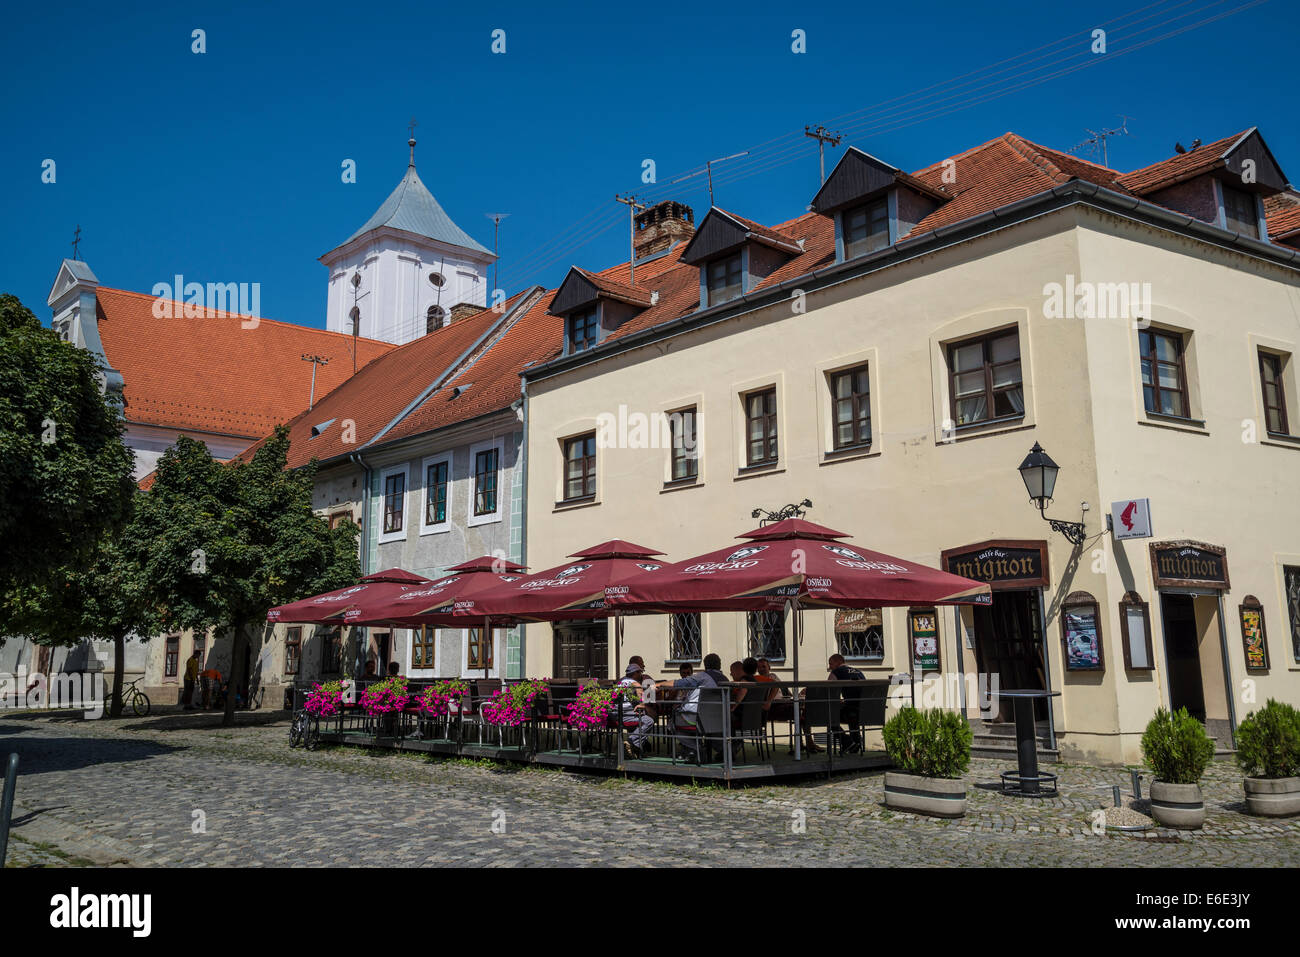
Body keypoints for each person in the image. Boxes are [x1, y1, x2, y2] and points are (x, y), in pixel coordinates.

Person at [657, 661, 719, 762]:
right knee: (676, 721)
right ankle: (691, 749)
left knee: (673, 725)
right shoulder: (678, 687)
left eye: (688, 673)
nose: (686, 675)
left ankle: (695, 748)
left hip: (691, 715)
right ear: (680, 673)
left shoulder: (694, 684)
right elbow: (670, 700)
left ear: (691, 673)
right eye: (684, 673)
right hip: (684, 713)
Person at [827, 654, 867, 753]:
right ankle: (856, 743)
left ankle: (847, 741)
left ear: (837, 662)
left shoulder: (837, 672)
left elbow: (828, 690)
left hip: (850, 711)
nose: (829, 667)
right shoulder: (859, 672)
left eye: (831, 664)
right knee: (852, 712)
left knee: (828, 717)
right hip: (864, 712)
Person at [617, 663, 655, 759]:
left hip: (616, 714)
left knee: (640, 720)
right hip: (624, 714)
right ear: (636, 673)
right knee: (649, 721)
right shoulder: (633, 682)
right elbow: (639, 689)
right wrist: (642, 704)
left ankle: (635, 749)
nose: (641, 675)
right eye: (640, 673)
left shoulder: (620, 682)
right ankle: (631, 742)